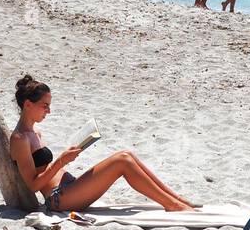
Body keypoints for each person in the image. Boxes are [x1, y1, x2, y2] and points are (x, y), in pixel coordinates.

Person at [10, 75, 195, 212]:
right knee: (122, 160)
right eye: (45, 106)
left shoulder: (35, 132)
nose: (49, 111)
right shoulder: (20, 139)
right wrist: (61, 161)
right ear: (27, 104)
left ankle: (176, 199)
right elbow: (32, 186)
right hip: (58, 198)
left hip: (69, 186)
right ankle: (172, 205)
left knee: (127, 154)